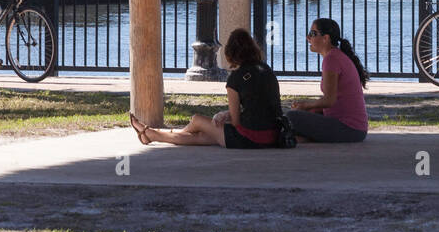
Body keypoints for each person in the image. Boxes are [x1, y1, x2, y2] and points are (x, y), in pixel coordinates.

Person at [129, 28, 284, 148]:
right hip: (273, 136)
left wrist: (227, 116)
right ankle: (151, 134)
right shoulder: (266, 70)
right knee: (202, 138)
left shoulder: (235, 79)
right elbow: (261, 106)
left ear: (230, 52)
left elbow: (236, 123)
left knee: (197, 120)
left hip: (250, 138)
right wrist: (226, 115)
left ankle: (164, 134)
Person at [289, 17, 368, 143]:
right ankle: (302, 138)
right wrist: (309, 108)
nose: (308, 38)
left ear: (326, 38)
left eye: (312, 34)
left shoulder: (331, 59)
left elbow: (329, 100)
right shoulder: (335, 56)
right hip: (354, 129)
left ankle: (300, 138)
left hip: (349, 129)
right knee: (305, 114)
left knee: (291, 117)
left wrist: (305, 105)